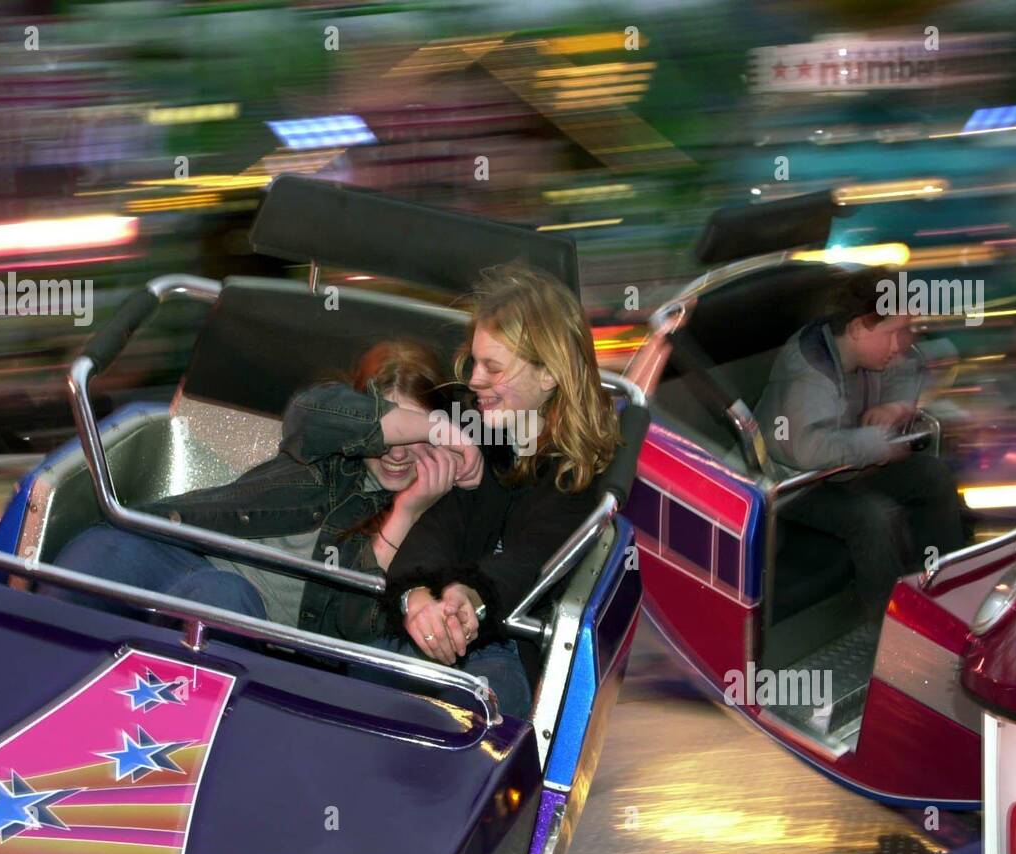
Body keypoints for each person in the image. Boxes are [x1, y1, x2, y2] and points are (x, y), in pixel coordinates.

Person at [50, 340, 483, 643]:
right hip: (187, 550)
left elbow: (355, 621)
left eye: (421, 437)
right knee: (99, 549)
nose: (399, 453)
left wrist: (405, 513)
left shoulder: (432, 509)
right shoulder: (330, 449)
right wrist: (432, 427)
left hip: (246, 611)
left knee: (219, 598)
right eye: (395, 428)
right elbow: (311, 411)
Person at [375, 264, 621, 718]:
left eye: (493, 367)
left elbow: (530, 559)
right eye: (473, 363)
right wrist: (418, 598)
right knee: (370, 674)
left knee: (470, 701)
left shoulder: (577, 474)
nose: (474, 380)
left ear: (549, 374)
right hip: (438, 617)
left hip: (508, 639)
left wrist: (468, 598)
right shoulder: (478, 435)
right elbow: (439, 522)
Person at [754, 270, 964, 626]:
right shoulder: (808, 368)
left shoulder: (873, 349)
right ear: (856, 329)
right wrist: (878, 444)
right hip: (797, 484)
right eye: (892, 333)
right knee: (872, 517)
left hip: (848, 469)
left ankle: (943, 594)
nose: (899, 344)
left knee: (933, 474)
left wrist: (895, 408)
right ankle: (889, 629)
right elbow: (808, 449)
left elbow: (910, 365)